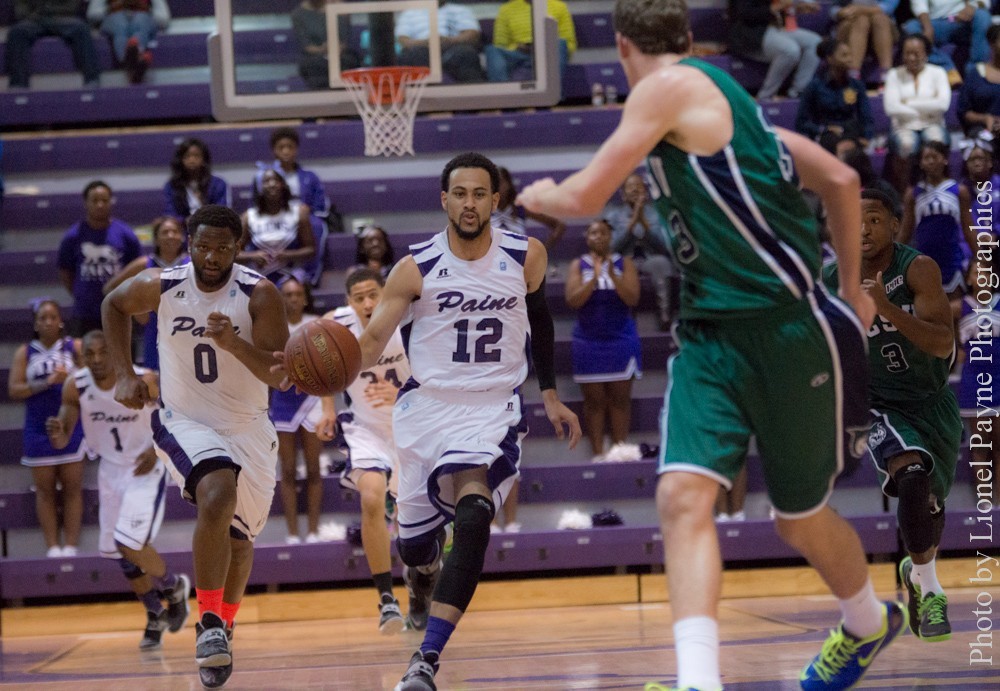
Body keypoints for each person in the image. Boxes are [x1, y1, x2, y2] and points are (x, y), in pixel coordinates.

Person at [517, 2, 905, 689]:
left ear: (622, 46)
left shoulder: (665, 87)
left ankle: (870, 620)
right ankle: (699, 681)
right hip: (708, 336)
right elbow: (841, 180)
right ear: (691, 38)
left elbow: (584, 197)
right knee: (682, 496)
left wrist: (547, 193)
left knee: (800, 521)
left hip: (789, 328)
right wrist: (854, 284)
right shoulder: (737, 112)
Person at [345, 152, 580, 690]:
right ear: (444, 199)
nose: (470, 203)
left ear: (495, 200)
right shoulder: (415, 267)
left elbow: (539, 323)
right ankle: (421, 572)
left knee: (474, 515)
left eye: (481, 194)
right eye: (461, 194)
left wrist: (549, 393)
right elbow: (374, 340)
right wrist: (318, 372)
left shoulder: (526, 255)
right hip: (425, 412)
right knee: (415, 547)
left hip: (491, 408)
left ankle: (426, 660)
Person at [103, 205, 289, 689]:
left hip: (249, 426)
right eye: (203, 246)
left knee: (241, 543)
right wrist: (123, 373)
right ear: (188, 244)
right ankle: (207, 623)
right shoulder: (162, 285)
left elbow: (279, 374)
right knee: (217, 494)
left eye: (223, 248)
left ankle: (223, 625)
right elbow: (113, 305)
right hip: (185, 420)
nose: (212, 256)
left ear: (238, 247)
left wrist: (236, 346)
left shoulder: (259, 295)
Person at [825, 188, 960, 643]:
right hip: (878, 402)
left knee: (928, 505)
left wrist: (884, 309)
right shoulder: (832, 279)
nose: (862, 228)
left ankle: (916, 572)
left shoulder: (917, 269)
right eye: (853, 219)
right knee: (912, 475)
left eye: (875, 219)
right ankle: (933, 588)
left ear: (896, 224)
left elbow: (944, 344)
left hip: (933, 401)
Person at [45, 330, 191, 650]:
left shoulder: (144, 379)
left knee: (129, 542)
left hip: (145, 466)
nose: (96, 360)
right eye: (89, 355)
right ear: (81, 358)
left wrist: (157, 448)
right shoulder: (76, 386)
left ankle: (174, 587)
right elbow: (63, 434)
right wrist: (57, 433)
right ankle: (154, 612)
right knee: (121, 555)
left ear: (116, 352)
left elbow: (174, 416)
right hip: (110, 471)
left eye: (103, 352)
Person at [313, 267, 410, 633]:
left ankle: (421, 580)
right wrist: (326, 409)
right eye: (359, 298)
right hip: (365, 428)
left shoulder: (411, 316)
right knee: (371, 497)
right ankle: (386, 598)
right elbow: (320, 365)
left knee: (419, 529)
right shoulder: (333, 326)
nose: (368, 303)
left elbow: (437, 374)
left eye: (374, 294)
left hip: (413, 426)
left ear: (385, 292)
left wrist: (401, 393)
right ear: (348, 302)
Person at [7, 300, 85, 558]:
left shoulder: (74, 347)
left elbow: (92, 380)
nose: (48, 321)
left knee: (73, 489)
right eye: (43, 317)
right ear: (36, 323)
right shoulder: (25, 352)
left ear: (61, 320)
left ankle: (71, 547)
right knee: (45, 491)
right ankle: (53, 548)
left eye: (53, 316)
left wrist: (70, 380)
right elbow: (14, 390)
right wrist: (46, 382)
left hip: (71, 425)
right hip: (37, 428)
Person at [565, 219, 642, 462]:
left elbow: (632, 298)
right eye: (594, 233)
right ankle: (598, 455)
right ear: (587, 237)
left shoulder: (624, 263)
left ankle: (619, 453)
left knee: (620, 400)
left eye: (603, 233)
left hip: (621, 339)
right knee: (594, 402)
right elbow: (573, 300)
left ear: (610, 236)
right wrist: (594, 278)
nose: (598, 237)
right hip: (589, 341)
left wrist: (611, 275)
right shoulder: (578, 265)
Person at [269, 275, 324, 545]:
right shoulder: (271, 328)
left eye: (297, 294)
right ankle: (292, 534)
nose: (293, 298)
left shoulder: (318, 324)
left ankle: (313, 531)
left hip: (312, 398)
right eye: (287, 294)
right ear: (280, 298)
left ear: (304, 297)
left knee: (314, 469)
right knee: (287, 470)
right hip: (281, 397)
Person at [58, 180, 143, 337]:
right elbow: (65, 272)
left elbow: (138, 269)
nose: (100, 205)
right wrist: (81, 293)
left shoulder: (126, 235)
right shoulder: (72, 237)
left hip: (120, 310)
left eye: (104, 200)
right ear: (85, 203)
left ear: (111, 202)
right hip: (85, 314)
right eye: (95, 200)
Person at [104, 216, 189, 371]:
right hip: (154, 336)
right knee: (156, 385)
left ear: (182, 237)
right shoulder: (144, 264)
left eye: (175, 232)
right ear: (156, 239)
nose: (171, 235)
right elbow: (110, 289)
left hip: (187, 333)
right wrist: (135, 310)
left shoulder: (191, 264)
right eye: (165, 232)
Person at [254, 127, 334, 284]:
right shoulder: (265, 176)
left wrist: (307, 209)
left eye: (290, 147)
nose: (286, 151)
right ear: (274, 150)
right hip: (272, 214)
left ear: (296, 149)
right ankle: (262, 277)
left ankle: (310, 278)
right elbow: (256, 202)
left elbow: (321, 205)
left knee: (316, 226)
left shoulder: (309, 177)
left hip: (301, 216)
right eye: (281, 147)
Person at [898, 140, 974, 296]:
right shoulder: (912, 194)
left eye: (935, 156)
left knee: (954, 311)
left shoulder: (959, 191)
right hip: (924, 261)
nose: (931, 161)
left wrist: (981, 257)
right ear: (921, 163)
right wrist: (890, 259)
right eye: (927, 157)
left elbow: (968, 229)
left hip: (952, 260)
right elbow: (905, 232)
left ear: (945, 159)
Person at [603, 173, 677, 330]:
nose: (635, 189)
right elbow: (611, 248)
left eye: (639, 186)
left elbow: (664, 247)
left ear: (646, 192)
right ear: (623, 195)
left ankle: (665, 315)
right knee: (619, 265)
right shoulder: (613, 216)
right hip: (625, 258)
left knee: (662, 263)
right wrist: (633, 221)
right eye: (631, 187)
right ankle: (625, 317)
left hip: (651, 258)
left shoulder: (657, 214)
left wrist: (642, 219)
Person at [883, 33, 952, 194]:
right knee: (906, 145)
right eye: (908, 53)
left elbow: (942, 105)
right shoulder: (894, 75)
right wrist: (927, 107)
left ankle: (937, 189)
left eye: (917, 53)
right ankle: (905, 193)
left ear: (926, 53)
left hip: (933, 124)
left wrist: (908, 103)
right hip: (903, 126)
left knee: (937, 140)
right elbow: (891, 108)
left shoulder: (938, 73)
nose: (912, 58)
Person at [957, 259, 1000, 501]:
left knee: (999, 445)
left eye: (986, 272)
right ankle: (983, 502)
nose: (981, 276)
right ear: (969, 278)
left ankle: (999, 502)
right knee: (979, 446)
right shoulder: (958, 307)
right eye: (976, 272)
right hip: (974, 382)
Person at [726, 0, 823, 100]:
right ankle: (765, 96)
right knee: (789, 50)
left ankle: (797, 92)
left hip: (778, 28)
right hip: (751, 33)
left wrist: (798, 8)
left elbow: (780, 9)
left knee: (815, 42)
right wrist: (774, 8)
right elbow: (743, 13)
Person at [794, 37, 874, 152]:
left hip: (851, 132)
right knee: (836, 146)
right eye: (844, 55)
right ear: (830, 59)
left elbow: (866, 118)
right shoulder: (815, 86)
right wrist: (823, 129)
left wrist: (867, 137)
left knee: (853, 148)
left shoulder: (856, 86)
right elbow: (801, 122)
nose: (850, 59)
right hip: (826, 135)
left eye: (850, 55)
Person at [239, 169, 315, 283]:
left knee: (295, 287)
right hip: (259, 276)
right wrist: (252, 256)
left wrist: (289, 255)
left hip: (291, 273)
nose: (272, 184)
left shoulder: (299, 212)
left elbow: (311, 250)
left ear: (283, 185)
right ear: (259, 188)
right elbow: (234, 254)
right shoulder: (248, 217)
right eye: (266, 181)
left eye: (276, 180)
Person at [4, 0, 101, 89]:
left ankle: (91, 79)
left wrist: (50, 11)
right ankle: (18, 83)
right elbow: (20, 9)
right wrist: (37, 15)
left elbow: (72, 6)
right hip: (34, 19)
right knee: (17, 32)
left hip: (61, 17)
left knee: (81, 29)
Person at [485, 0, 577, 87]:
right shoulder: (506, 9)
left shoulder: (559, 7)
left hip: (547, 54)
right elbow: (500, 44)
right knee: (492, 50)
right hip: (519, 55)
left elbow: (569, 43)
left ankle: (552, 94)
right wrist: (518, 47)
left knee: (559, 44)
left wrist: (543, 46)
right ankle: (502, 97)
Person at [902, 0, 992, 84]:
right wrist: (927, 26)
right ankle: (948, 69)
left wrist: (973, 6)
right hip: (936, 22)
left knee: (983, 16)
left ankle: (975, 71)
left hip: (963, 21)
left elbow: (983, 2)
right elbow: (919, 4)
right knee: (911, 27)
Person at [396, 1, 486, 83]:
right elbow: (403, 40)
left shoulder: (460, 10)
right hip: (421, 49)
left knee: (466, 53)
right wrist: (428, 42)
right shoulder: (410, 13)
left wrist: (450, 40)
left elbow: (472, 34)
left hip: (453, 49)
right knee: (415, 54)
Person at [86, 0, 171, 84]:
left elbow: (163, 19)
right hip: (113, 17)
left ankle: (131, 60)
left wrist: (146, 8)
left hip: (143, 16)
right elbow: (93, 15)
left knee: (140, 21)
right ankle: (132, 61)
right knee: (120, 24)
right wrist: (112, 7)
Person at [292, 0, 361, 90]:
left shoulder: (339, 10)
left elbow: (343, 40)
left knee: (349, 61)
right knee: (315, 66)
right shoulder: (298, 15)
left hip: (341, 55)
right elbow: (306, 45)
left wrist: (342, 15)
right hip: (315, 58)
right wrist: (323, 49)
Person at [492, 166, 566, 251]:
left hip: (518, 261)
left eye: (500, 183)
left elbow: (559, 225)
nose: (496, 187)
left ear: (508, 184)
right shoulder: (484, 211)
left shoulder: (520, 207)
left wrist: (541, 252)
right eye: (493, 184)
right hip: (491, 262)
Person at [829, 0, 896, 86]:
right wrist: (840, 12)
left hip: (882, 24)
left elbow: (888, 8)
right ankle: (853, 75)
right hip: (852, 23)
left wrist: (862, 10)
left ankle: (887, 75)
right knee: (862, 20)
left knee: (880, 19)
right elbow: (833, 9)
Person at [163, 138, 230, 221]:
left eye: (196, 156)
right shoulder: (172, 185)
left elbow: (222, 212)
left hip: (211, 227)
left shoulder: (218, 184)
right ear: (180, 160)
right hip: (182, 229)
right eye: (187, 156)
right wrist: (185, 221)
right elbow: (170, 214)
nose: (192, 160)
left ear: (204, 159)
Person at [958, 24, 1000, 138]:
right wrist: (985, 118)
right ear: (992, 44)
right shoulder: (975, 74)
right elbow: (964, 112)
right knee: (980, 142)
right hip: (982, 129)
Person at [960, 132, 1000, 238]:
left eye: (980, 158)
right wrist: (981, 234)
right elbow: (964, 221)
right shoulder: (962, 190)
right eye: (972, 159)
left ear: (990, 162)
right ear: (966, 164)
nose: (977, 163)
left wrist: (996, 233)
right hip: (973, 241)